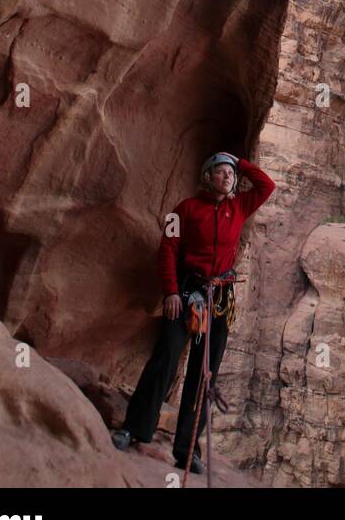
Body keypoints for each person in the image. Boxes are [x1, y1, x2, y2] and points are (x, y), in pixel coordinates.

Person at [111, 150, 275, 472]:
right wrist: (171, 291)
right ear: (206, 176)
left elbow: (266, 186)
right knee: (165, 359)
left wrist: (238, 162)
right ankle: (133, 429)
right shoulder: (184, 210)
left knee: (204, 373)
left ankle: (187, 449)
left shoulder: (239, 206)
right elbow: (168, 250)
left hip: (219, 296)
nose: (228, 177)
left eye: (231, 173)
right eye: (221, 171)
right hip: (187, 290)